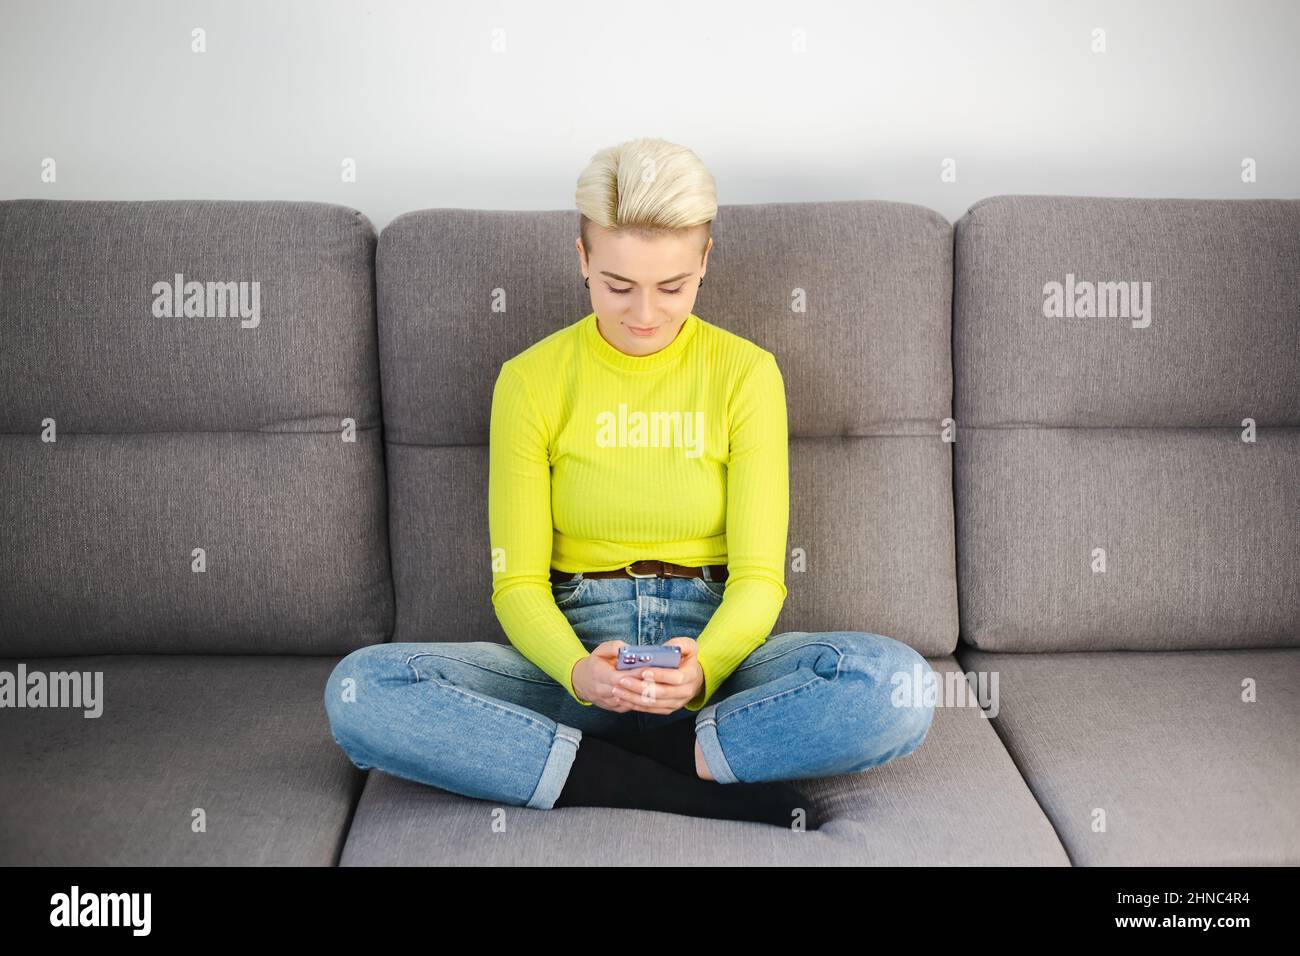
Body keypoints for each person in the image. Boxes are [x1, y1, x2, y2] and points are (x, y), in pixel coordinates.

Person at [325, 137, 936, 832]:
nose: (644, 314)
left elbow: (762, 577)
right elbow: (517, 584)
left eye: (671, 286)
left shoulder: (745, 373)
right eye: (618, 285)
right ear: (583, 259)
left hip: (714, 665)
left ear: (704, 261)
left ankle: (609, 763)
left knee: (899, 684)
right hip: (577, 656)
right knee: (359, 689)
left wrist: (703, 666)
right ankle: (679, 784)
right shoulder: (530, 380)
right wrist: (580, 672)